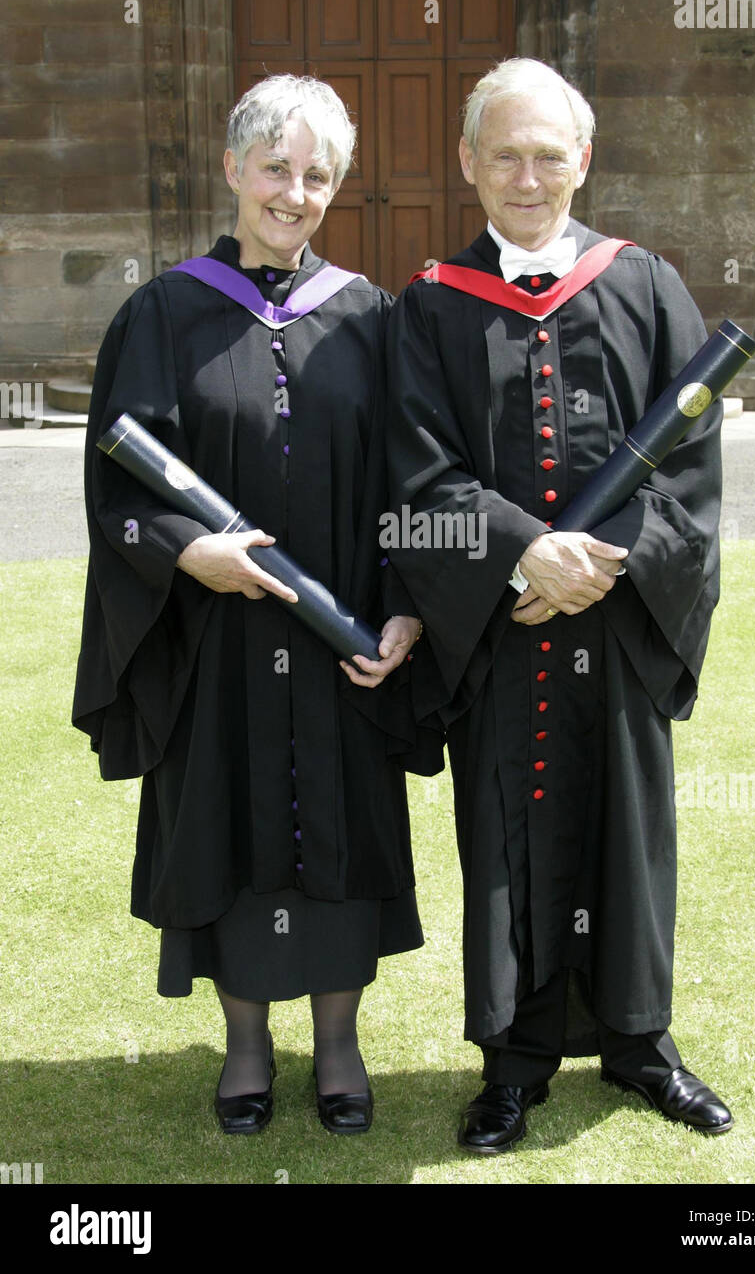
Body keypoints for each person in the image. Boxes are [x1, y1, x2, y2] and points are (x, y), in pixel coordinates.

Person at [386, 57, 734, 1153]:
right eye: (505, 154)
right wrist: (518, 553)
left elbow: (691, 465)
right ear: (467, 164)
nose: (527, 176)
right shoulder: (431, 306)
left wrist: (613, 556)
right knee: (504, 839)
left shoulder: (643, 285)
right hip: (503, 633)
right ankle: (513, 1059)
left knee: (627, 837)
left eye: (548, 154)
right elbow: (414, 474)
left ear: (581, 159)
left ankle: (639, 1044)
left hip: (618, 631)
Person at [73, 74, 431, 1137]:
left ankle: (336, 1043)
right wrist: (191, 555)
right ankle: (242, 1045)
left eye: (317, 173)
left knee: (342, 829)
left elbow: (420, 482)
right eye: (274, 167)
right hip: (217, 639)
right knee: (224, 822)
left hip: (339, 642)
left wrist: (407, 605)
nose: (294, 190)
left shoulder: (369, 317)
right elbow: (120, 487)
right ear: (231, 169)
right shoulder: (163, 313)